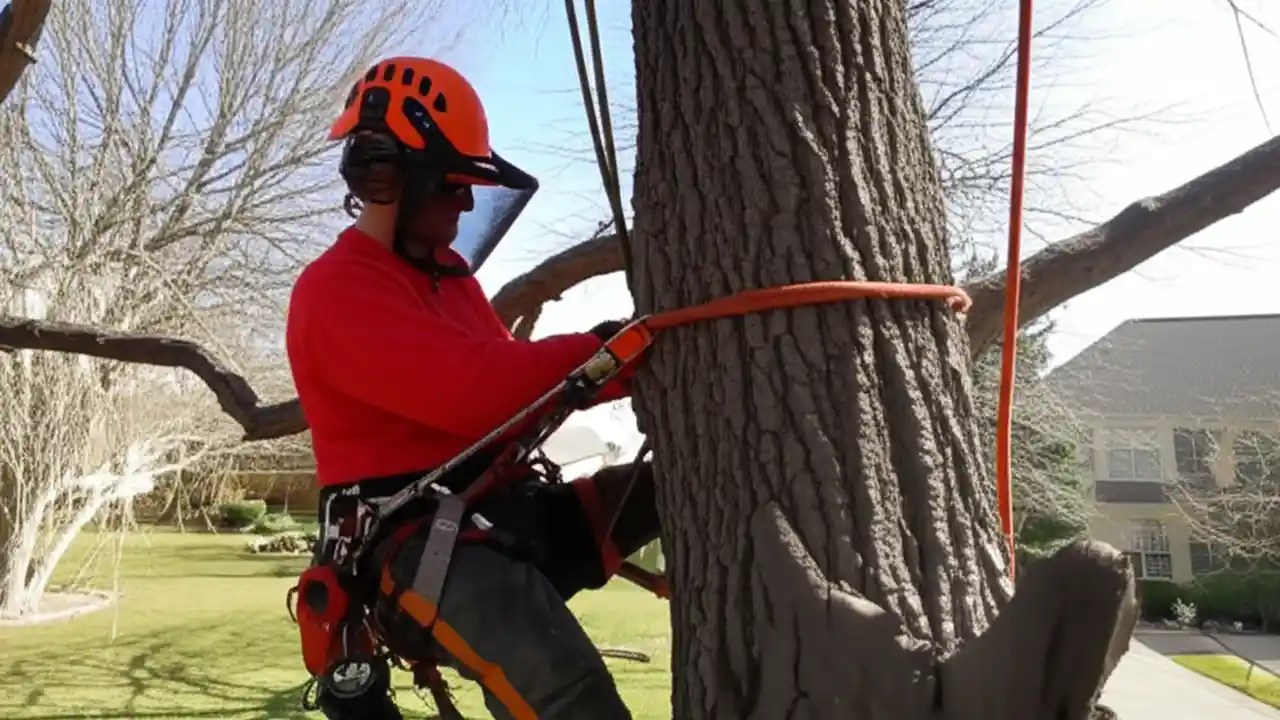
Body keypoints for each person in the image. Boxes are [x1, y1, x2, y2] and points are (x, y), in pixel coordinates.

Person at [284, 55, 659, 720]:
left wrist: (623, 365)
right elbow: (479, 394)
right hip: (422, 547)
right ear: (387, 175)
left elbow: (519, 403)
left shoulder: (446, 275)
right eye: (451, 186)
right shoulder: (335, 291)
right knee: (565, 687)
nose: (464, 202)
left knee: (677, 490)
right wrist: (615, 350)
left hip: (504, 510)